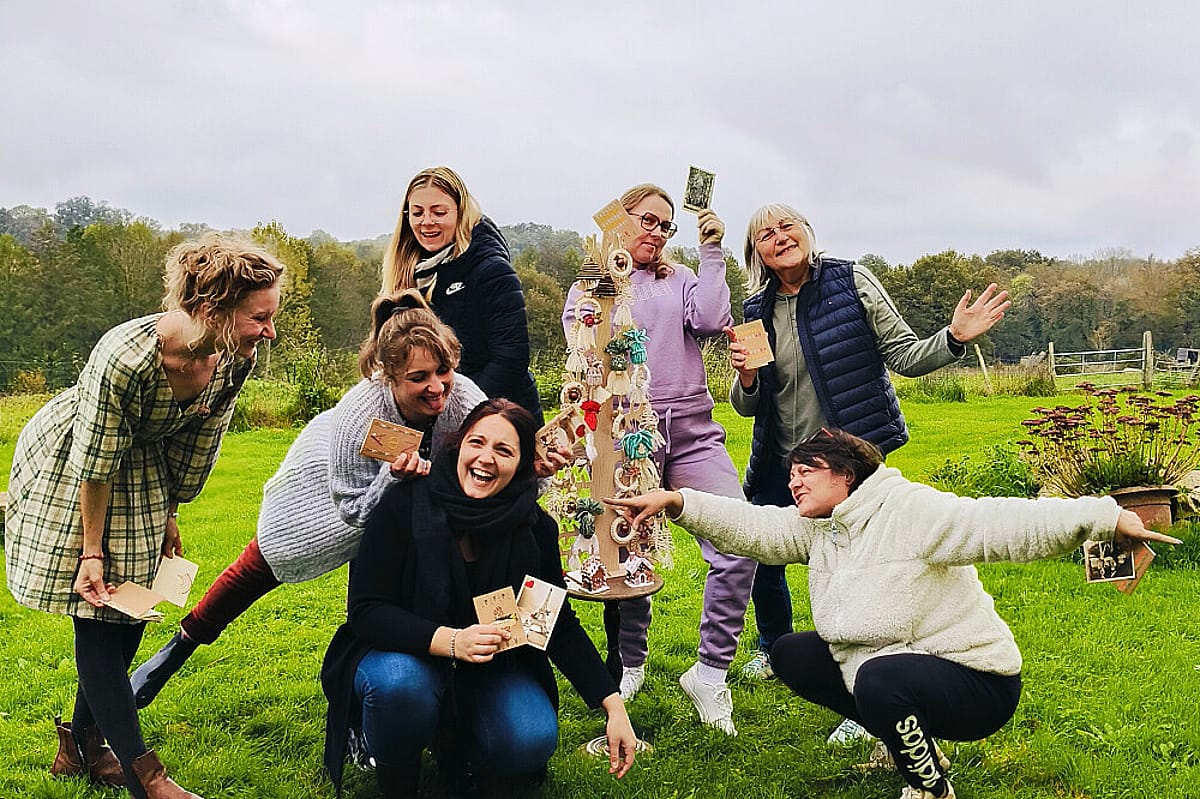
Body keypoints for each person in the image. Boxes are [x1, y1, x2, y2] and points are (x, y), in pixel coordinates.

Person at [606, 428, 1180, 799]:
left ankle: (929, 787)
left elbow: (999, 523)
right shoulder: (823, 528)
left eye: (807, 469)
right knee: (789, 653)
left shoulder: (910, 512)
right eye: (791, 472)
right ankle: (900, 736)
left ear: (845, 475)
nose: (793, 480)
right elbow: (758, 527)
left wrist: (1104, 518)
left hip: (975, 682)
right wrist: (677, 501)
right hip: (898, 672)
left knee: (880, 679)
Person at [4, 234, 284, 799]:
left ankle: (79, 749)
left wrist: (170, 513)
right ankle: (145, 778)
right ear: (211, 311)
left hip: (147, 470)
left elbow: (198, 444)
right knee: (99, 615)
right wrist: (91, 551)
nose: (269, 330)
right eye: (259, 317)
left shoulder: (233, 355)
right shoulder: (124, 358)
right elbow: (97, 460)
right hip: (79, 466)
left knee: (133, 612)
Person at [728, 204, 1010, 743]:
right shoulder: (755, 306)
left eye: (788, 225)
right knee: (765, 553)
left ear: (808, 233)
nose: (779, 236)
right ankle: (774, 647)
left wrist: (953, 337)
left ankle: (870, 692)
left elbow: (903, 354)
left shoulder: (851, 281)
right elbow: (747, 405)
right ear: (756, 253)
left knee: (860, 576)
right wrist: (745, 379)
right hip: (781, 460)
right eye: (766, 233)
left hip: (847, 463)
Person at [129, 291, 488, 707]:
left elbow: (498, 455)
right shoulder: (361, 411)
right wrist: (391, 478)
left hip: (423, 501)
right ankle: (179, 647)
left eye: (443, 371)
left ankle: (418, 687)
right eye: (418, 378)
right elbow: (353, 509)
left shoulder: (462, 396)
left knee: (396, 583)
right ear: (388, 376)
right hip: (331, 487)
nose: (436, 387)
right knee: (261, 562)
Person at [321, 399, 637, 797]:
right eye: (477, 443)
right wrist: (453, 641)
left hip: (487, 669)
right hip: (403, 654)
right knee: (401, 687)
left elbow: (553, 622)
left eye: (504, 451)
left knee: (530, 736)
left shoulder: (533, 528)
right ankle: (395, 767)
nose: (485, 459)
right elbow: (367, 611)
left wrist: (612, 703)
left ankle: (456, 741)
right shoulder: (405, 503)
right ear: (459, 445)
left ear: (523, 464)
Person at [562, 184, 755, 735]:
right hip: (626, 433)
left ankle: (711, 672)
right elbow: (581, 340)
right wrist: (605, 283)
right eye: (648, 221)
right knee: (628, 549)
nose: (656, 233)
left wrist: (711, 249)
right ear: (620, 221)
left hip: (693, 431)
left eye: (666, 226)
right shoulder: (591, 282)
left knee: (737, 538)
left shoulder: (681, 279)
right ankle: (630, 663)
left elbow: (716, 318)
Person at [381, 165, 542, 422]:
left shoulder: (491, 270)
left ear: (461, 212)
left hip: (498, 418)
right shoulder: (404, 272)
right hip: (432, 415)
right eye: (417, 212)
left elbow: (510, 359)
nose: (427, 222)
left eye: (439, 212)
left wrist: (455, 406)